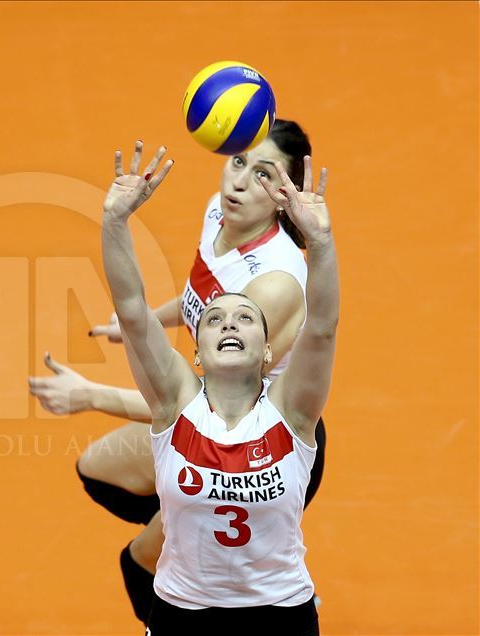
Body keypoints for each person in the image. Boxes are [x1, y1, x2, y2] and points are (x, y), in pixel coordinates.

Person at [28, 121, 328, 623]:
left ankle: (240, 560)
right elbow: (201, 292)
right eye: (237, 162)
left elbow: (184, 409)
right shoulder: (219, 214)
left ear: (282, 196)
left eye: (260, 175)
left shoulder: (273, 286)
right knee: (97, 471)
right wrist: (148, 325)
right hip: (203, 410)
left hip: (255, 447)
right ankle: (215, 536)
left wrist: (89, 394)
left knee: (141, 559)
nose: (236, 183)